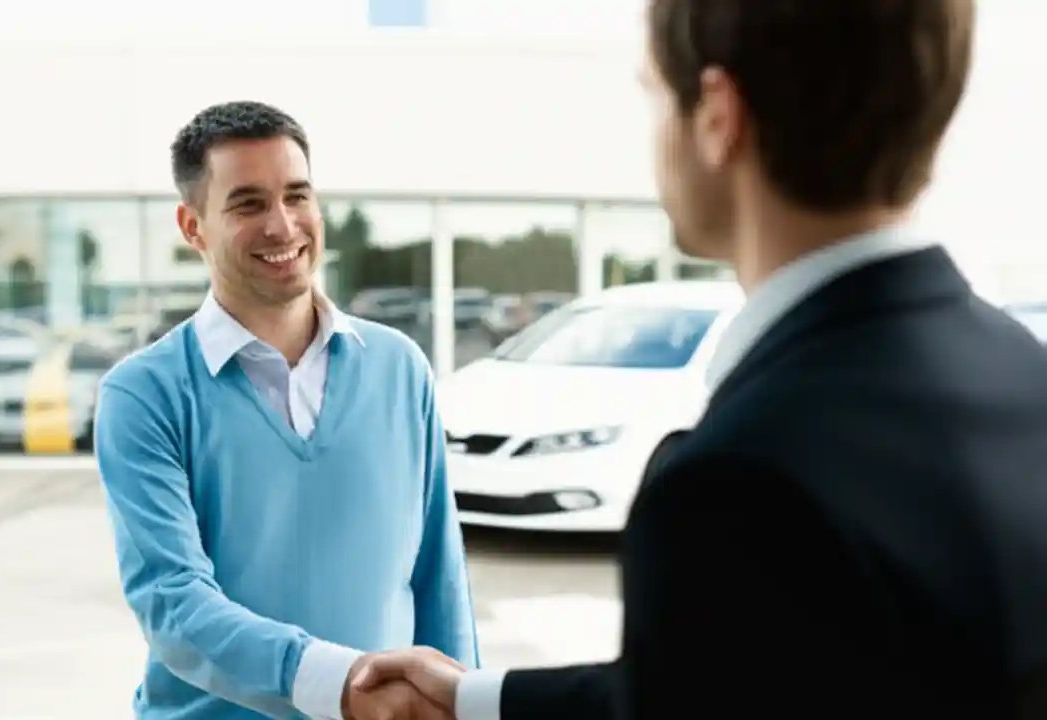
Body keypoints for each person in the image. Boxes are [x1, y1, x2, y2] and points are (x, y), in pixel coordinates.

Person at [351, 1, 1047, 718]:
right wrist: (474, 700)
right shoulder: (1023, 374)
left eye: (653, 95)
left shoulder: (735, 484)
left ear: (718, 117)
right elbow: (737, 677)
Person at [94, 100, 478, 720]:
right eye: (248, 205)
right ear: (193, 226)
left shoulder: (399, 367)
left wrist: (463, 704)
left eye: (297, 196)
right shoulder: (143, 395)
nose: (282, 225)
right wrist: (339, 684)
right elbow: (172, 602)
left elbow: (439, 576)